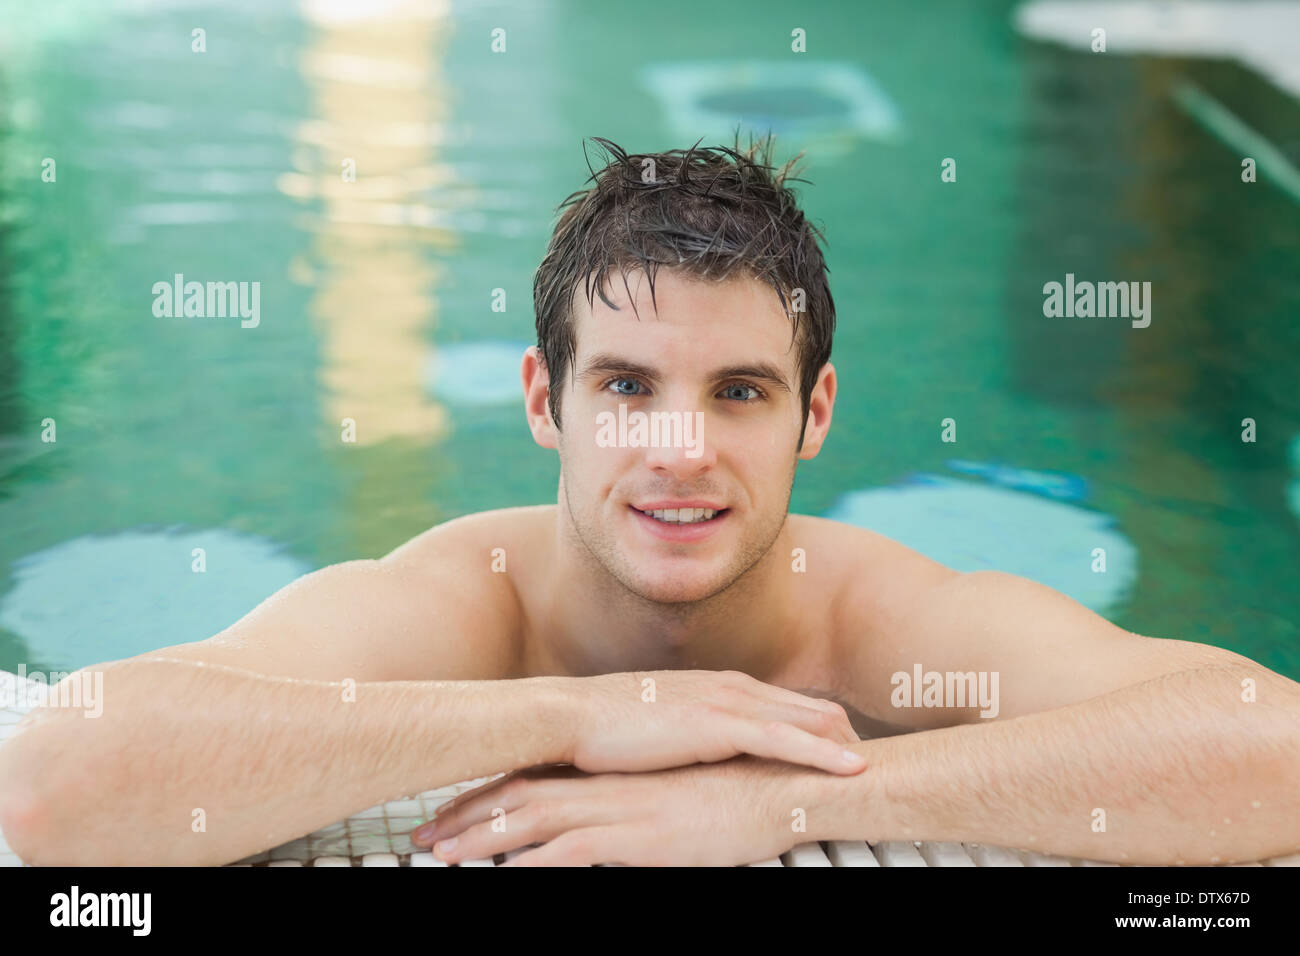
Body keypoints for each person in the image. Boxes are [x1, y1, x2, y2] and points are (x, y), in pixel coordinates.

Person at [2, 138, 1297, 867]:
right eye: (627, 385)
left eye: (739, 391)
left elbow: (1272, 752)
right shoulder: (464, 607)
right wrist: (582, 712)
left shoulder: (877, 619)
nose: (680, 450)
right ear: (544, 402)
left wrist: (774, 805)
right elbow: (55, 786)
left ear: (817, 414)